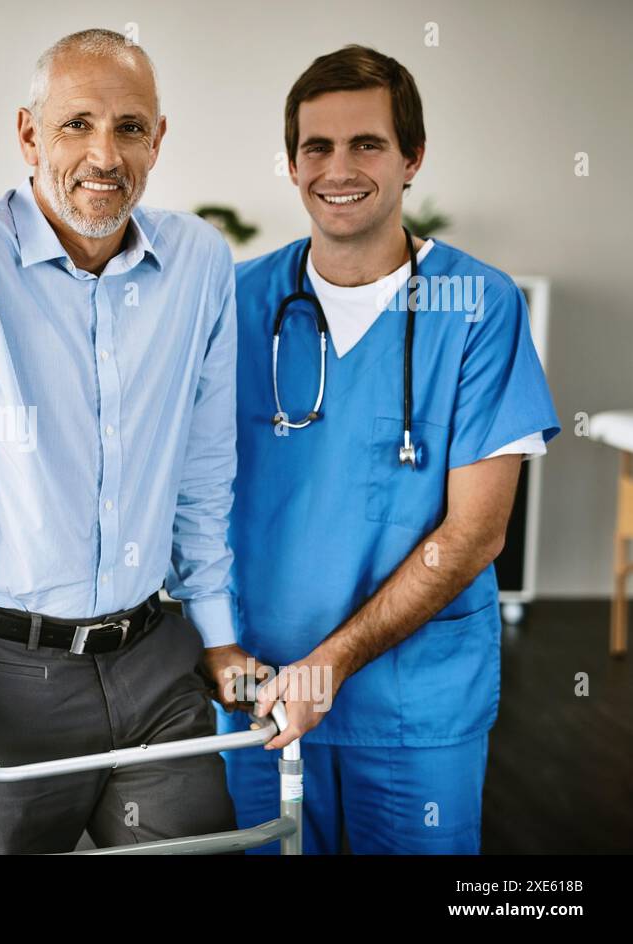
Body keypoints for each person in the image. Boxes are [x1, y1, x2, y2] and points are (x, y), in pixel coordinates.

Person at [0, 28, 240, 854]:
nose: (104, 155)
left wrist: (217, 633)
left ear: (158, 138)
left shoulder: (199, 263)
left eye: (130, 128)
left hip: (157, 667)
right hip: (5, 678)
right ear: (29, 133)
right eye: (76, 124)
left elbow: (204, 468)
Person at [213, 45, 561, 854]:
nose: (338, 168)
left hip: (413, 710)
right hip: (260, 697)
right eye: (316, 147)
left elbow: (477, 533)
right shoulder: (238, 301)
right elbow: (190, 492)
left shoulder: (477, 306)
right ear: (293, 164)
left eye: (366, 144)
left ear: (413, 158)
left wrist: (330, 666)